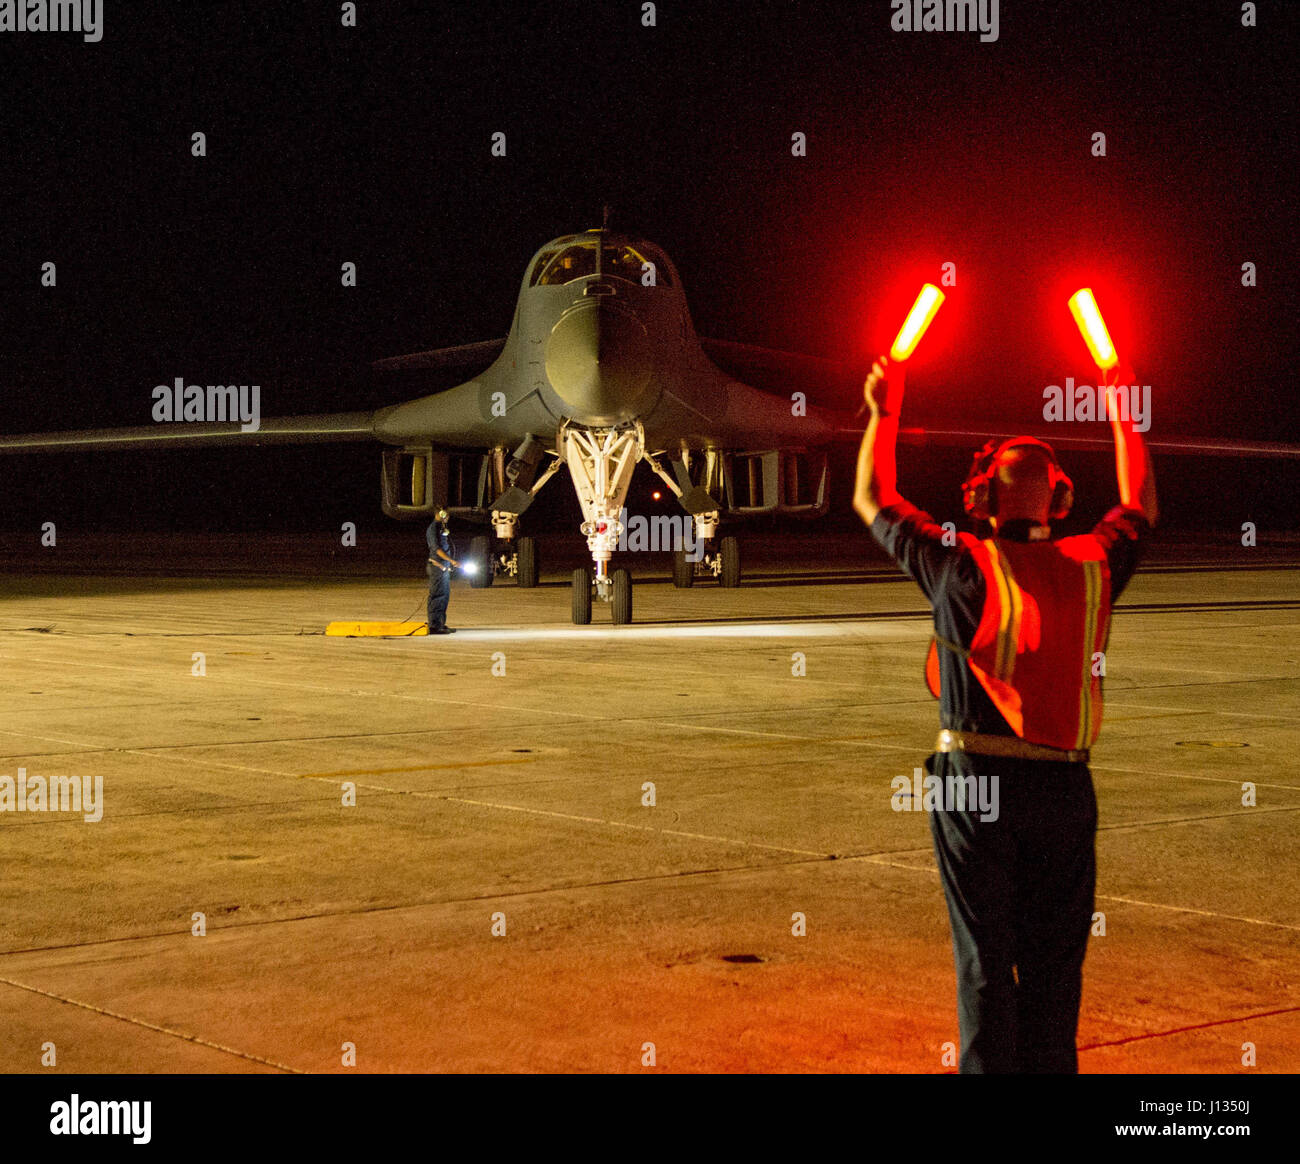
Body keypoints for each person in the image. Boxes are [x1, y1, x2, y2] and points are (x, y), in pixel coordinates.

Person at [853, 355, 1157, 1074]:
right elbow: (1140, 502)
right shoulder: (1092, 565)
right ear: (1060, 500)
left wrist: (883, 411)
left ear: (981, 499)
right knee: (1057, 974)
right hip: (1063, 789)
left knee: (985, 965)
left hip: (972, 785)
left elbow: (872, 496)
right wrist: (1123, 412)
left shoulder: (963, 567)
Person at [426, 508, 461, 634]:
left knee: (444, 595)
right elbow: (436, 550)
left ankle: (440, 623)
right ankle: (434, 625)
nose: (448, 518)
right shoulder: (433, 529)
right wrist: (451, 561)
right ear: (441, 514)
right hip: (437, 567)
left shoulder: (440, 528)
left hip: (443, 567)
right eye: (447, 515)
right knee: (437, 595)